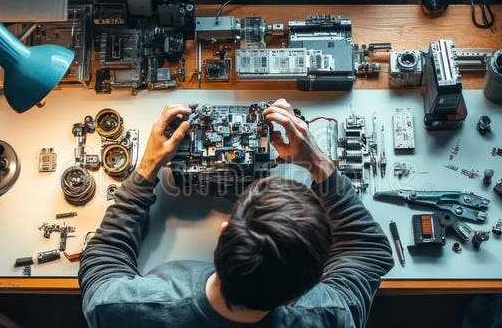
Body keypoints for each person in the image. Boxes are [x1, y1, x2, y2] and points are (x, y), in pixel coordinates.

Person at [78, 99, 394, 327]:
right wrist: (320, 165)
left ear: (223, 232)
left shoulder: (121, 310)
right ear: (305, 289)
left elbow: (102, 260)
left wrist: (147, 167)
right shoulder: (332, 316)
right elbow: (368, 251)